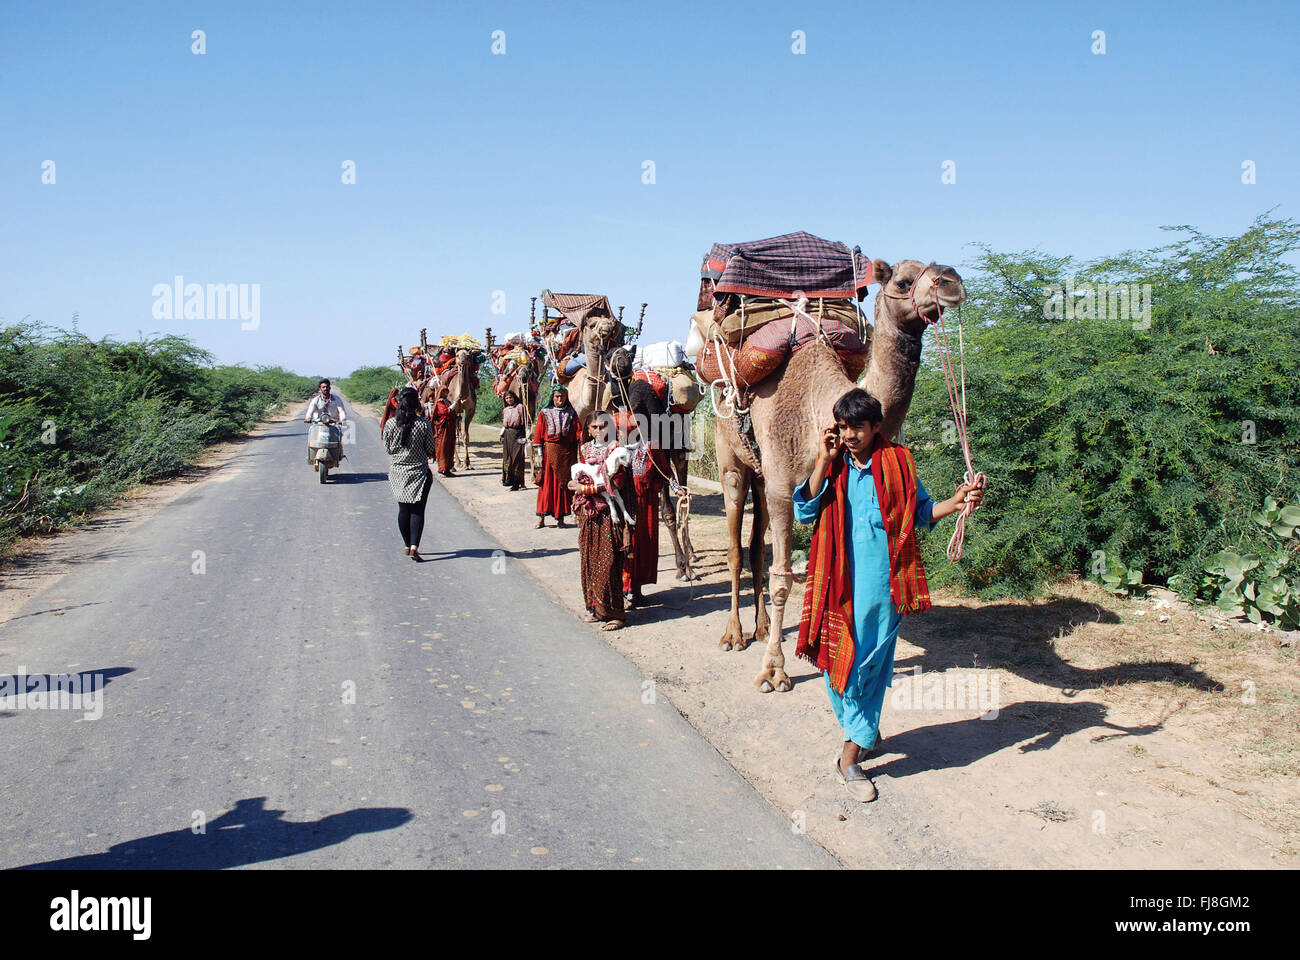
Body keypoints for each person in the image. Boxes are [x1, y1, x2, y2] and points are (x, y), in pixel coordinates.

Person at [794, 388, 984, 803]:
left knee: (870, 666)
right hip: (835, 583)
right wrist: (823, 462)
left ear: (877, 427)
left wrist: (956, 502)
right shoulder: (833, 465)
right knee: (833, 661)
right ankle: (862, 728)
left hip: (884, 587)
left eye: (856, 428)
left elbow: (922, 513)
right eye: (842, 428)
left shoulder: (898, 463)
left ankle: (850, 756)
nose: (848, 436)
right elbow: (803, 512)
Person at [568, 413, 628, 631]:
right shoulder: (584, 449)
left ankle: (616, 614)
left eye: (604, 426)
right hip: (588, 512)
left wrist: (588, 489)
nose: (599, 430)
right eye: (594, 427)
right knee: (589, 559)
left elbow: (618, 481)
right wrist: (575, 485)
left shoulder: (616, 449)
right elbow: (581, 473)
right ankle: (595, 608)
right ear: (589, 429)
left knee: (609, 560)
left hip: (609, 513)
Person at [383, 387, 438, 560]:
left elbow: (388, 449)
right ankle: (415, 546)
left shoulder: (391, 424)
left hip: (398, 473)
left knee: (403, 510)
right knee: (418, 511)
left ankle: (407, 544)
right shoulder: (423, 424)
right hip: (419, 473)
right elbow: (430, 449)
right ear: (416, 403)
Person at [532, 386, 578, 528]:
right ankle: (541, 519)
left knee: (562, 485)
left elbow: (577, 432)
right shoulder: (544, 413)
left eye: (562, 396)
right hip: (548, 454)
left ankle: (560, 519)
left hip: (565, 454)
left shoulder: (571, 413)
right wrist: (539, 455)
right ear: (552, 397)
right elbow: (539, 435)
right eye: (557, 396)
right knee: (546, 485)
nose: (559, 399)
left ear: (566, 397)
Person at [304, 378, 347, 467]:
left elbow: (341, 410)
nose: (325, 389)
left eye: (327, 387)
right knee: (312, 439)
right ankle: (311, 456)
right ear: (320, 389)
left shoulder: (336, 399)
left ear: (330, 388)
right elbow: (310, 409)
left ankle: (338, 455)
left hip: (333, 424)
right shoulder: (316, 400)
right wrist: (308, 417)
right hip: (318, 424)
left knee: (339, 437)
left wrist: (343, 419)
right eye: (323, 387)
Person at [499, 390, 527, 490]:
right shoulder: (505, 409)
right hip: (507, 435)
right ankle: (509, 481)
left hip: (518, 434)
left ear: (514, 397)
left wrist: (525, 436)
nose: (509, 399)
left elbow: (525, 422)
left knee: (517, 459)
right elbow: (504, 424)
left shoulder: (520, 407)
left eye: (510, 397)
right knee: (508, 458)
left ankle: (519, 482)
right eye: (507, 398)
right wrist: (501, 434)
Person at [429, 386, 458, 477]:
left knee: (450, 447)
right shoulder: (439, 403)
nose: (447, 393)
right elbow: (444, 412)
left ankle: (448, 468)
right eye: (445, 392)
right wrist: (455, 403)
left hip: (450, 428)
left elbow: (452, 412)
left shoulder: (447, 402)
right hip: (443, 429)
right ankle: (442, 469)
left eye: (447, 391)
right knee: (443, 447)